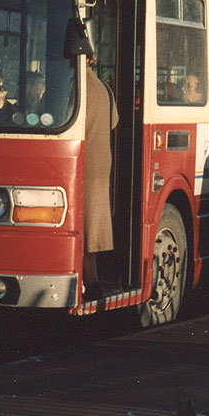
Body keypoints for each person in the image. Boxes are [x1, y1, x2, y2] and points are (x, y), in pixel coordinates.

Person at [83, 54, 119, 293]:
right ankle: (93, 279)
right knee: (92, 227)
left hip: (83, 164)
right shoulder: (104, 88)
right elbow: (114, 122)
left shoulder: (75, 88)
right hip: (100, 165)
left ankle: (90, 282)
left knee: (83, 226)